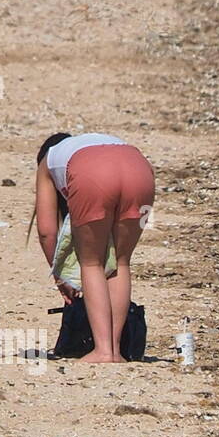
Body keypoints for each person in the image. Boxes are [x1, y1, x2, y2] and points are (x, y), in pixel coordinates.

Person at [33, 132, 155, 363]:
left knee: (91, 263)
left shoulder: (47, 161)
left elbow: (46, 231)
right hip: (140, 168)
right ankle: (116, 350)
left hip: (93, 171)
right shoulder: (95, 140)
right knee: (120, 261)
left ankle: (103, 350)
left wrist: (61, 278)